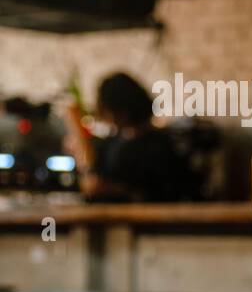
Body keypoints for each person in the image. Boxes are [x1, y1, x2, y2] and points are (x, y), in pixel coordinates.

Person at [65, 72, 194, 203]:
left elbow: (166, 193)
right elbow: (92, 177)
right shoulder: (113, 141)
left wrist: (116, 190)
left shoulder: (160, 145)